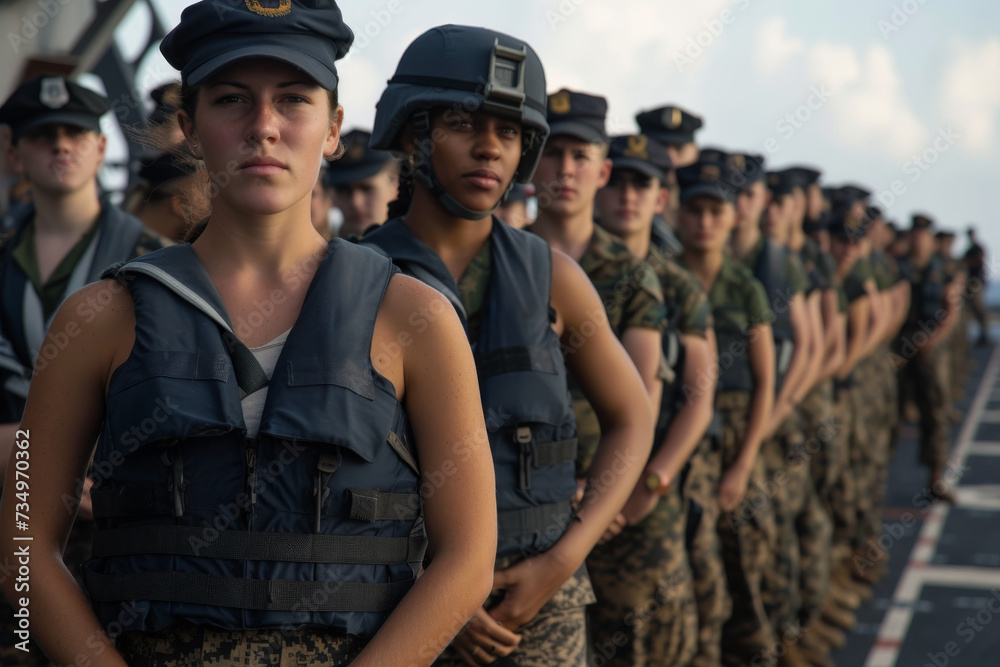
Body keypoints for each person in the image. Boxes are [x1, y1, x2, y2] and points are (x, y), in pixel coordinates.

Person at [0, 4, 499, 666]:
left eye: (293, 99)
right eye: (233, 100)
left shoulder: (416, 319)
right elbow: (21, 547)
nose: (264, 127)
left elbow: (468, 558)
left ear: (333, 130)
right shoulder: (100, 318)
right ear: (190, 128)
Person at [360, 27, 654, 666]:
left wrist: (562, 561)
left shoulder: (555, 278)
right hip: (391, 605)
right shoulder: (352, 279)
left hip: (533, 610)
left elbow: (633, 418)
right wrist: (440, 594)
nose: (491, 147)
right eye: (465, 123)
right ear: (416, 133)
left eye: (511, 131)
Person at [0, 73, 169, 667]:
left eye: (76, 132)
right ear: (12, 151)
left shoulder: (158, 266)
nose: (61, 146)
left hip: (119, 525)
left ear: (101, 147)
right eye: (43, 135)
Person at [595, 133, 719, 666]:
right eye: (618, 181)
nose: (628, 195)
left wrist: (649, 481)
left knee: (655, 635)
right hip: (569, 483)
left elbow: (697, 398)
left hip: (646, 491)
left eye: (641, 184)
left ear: (660, 198)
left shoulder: (678, 284)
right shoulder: (562, 269)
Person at [675, 155, 779, 666]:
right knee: (695, 568)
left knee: (747, 560)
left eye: (716, 211)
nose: (705, 222)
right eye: (695, 209)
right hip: (679, 435)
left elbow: (766, 383)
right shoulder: (665, 279)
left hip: (735, 435)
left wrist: (743, 464)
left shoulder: (745, 286)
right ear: (678, 213)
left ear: (734, 215)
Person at [897, 214, 961, 503]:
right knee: (890, 411)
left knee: (935, 412)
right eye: (914, 234)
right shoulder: (898, 266)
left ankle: (936, 478)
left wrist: (930, 342)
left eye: (924, 235)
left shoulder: (942, 270)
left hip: (931, 348)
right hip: (900, 345)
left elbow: (952, 309)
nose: (918, 240)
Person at [325, 128, 397, 239]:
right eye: (343, 190)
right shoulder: (319, 254)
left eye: (366, 189)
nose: (356, 202)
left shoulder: (419, 251)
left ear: (396, 186)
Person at [964, 226, 989, 345]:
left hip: (976, 282)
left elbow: (980, 260)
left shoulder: (976, 248)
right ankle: (983, 334)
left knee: (978, 308)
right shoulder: (970, 249)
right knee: (973, 309)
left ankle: (984, 335)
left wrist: (965, 262)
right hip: (972, 282)